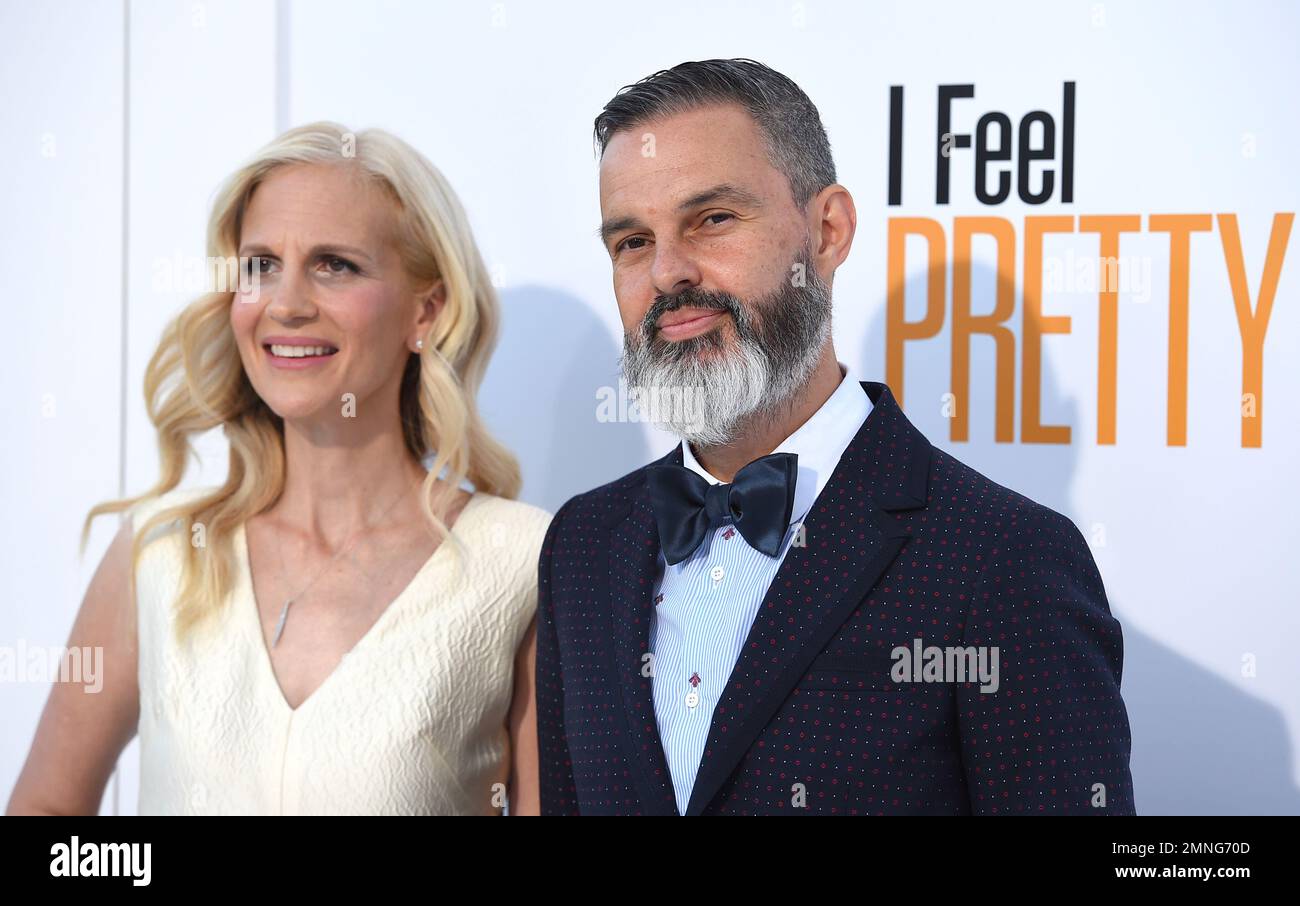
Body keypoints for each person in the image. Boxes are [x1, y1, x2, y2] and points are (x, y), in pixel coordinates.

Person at [536, 59, 1135, 815]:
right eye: (631, 241)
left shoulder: (1003, 560)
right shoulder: (583, 545)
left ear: (827, 230)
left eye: (712, 219)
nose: (667, 273)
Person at [7, 123, 550, 816]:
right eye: (260, 265)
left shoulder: (517, 561)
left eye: (335, 265)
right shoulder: (160, 555)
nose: (286, 303)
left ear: (427, 310)